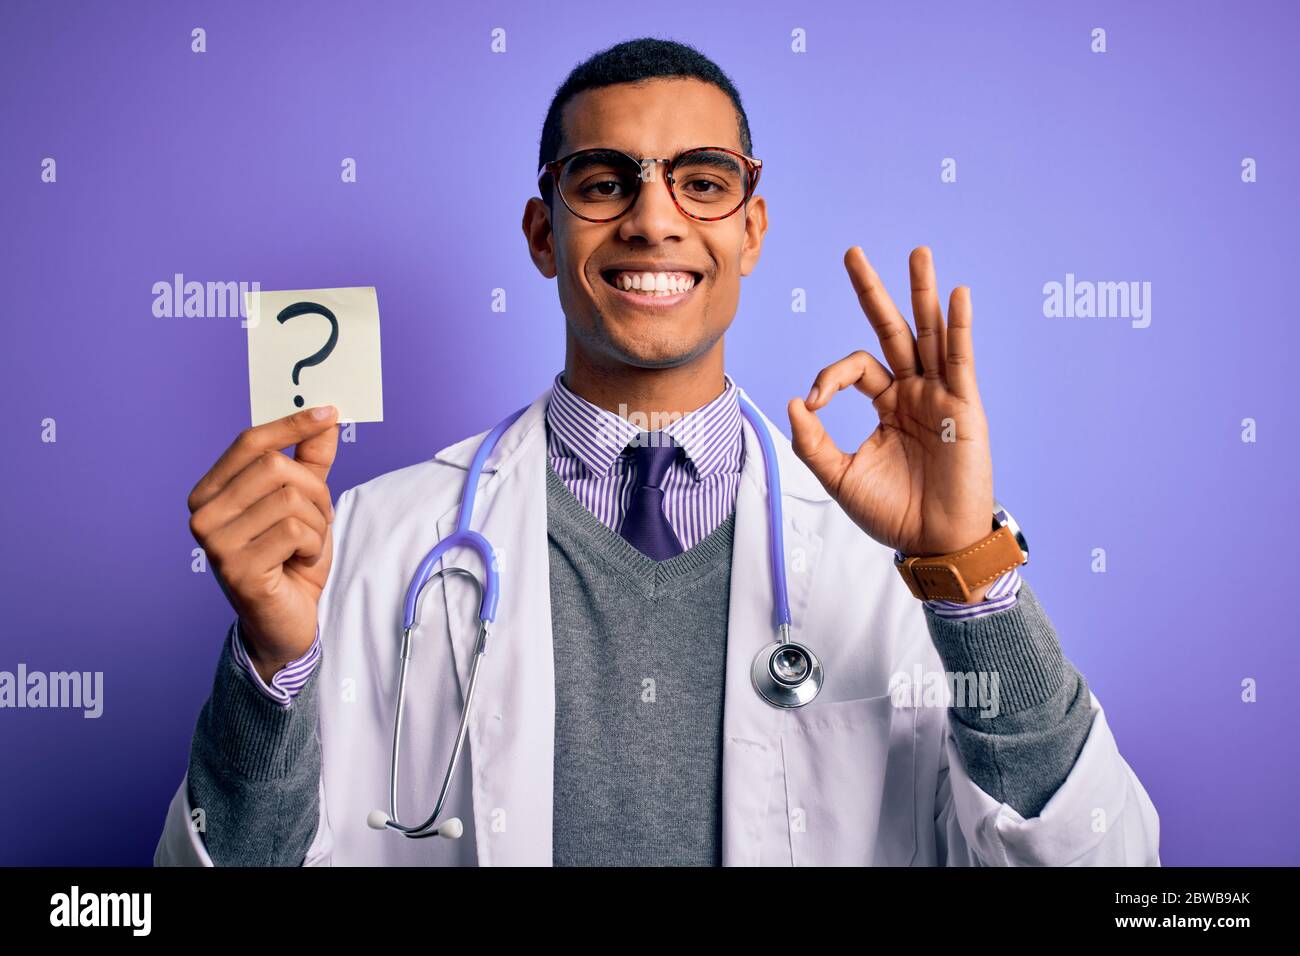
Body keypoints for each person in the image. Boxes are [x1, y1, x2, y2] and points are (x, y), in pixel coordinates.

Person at [155, 37, 1159, 866]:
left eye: (701, 181)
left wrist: (968, 579)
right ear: (543, 235)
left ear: (750, 230)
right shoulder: (369, 540)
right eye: (603, 182)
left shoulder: (895, 558)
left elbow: (1107, 870)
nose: (652, 217)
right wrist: (270, 667)